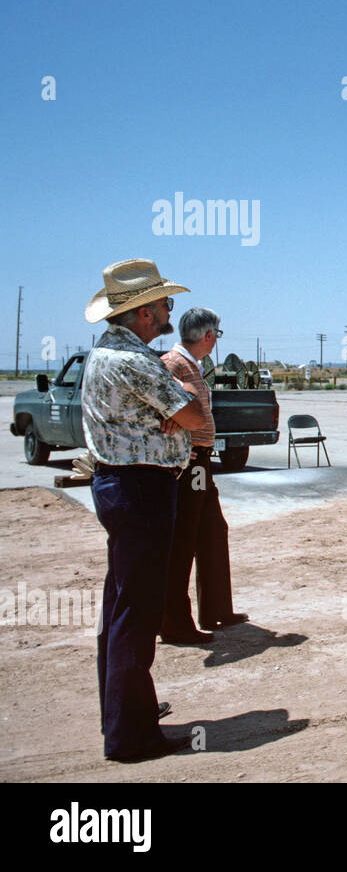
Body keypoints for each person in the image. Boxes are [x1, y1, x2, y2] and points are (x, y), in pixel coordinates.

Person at [82, 258, 208, 762]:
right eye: (162, 306)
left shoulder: (110, 353)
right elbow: (195, 414)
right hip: (142, 490)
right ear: (141, 313)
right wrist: (177, 410)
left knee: (121, 605)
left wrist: (175, 411)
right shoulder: (133, 362)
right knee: (138, 610)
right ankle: (131, 736)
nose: (167, 314)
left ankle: (120, 712)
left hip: (122, 486)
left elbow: (183, 414)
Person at [159, 307, 249, 644]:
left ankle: (216, 609)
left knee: (211, 531)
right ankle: (174, 622)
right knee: (184, 537)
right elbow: (165, 413)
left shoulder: (189, 365)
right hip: (189, 465)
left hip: (200, 463)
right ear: (209, 336)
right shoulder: (173, 364)